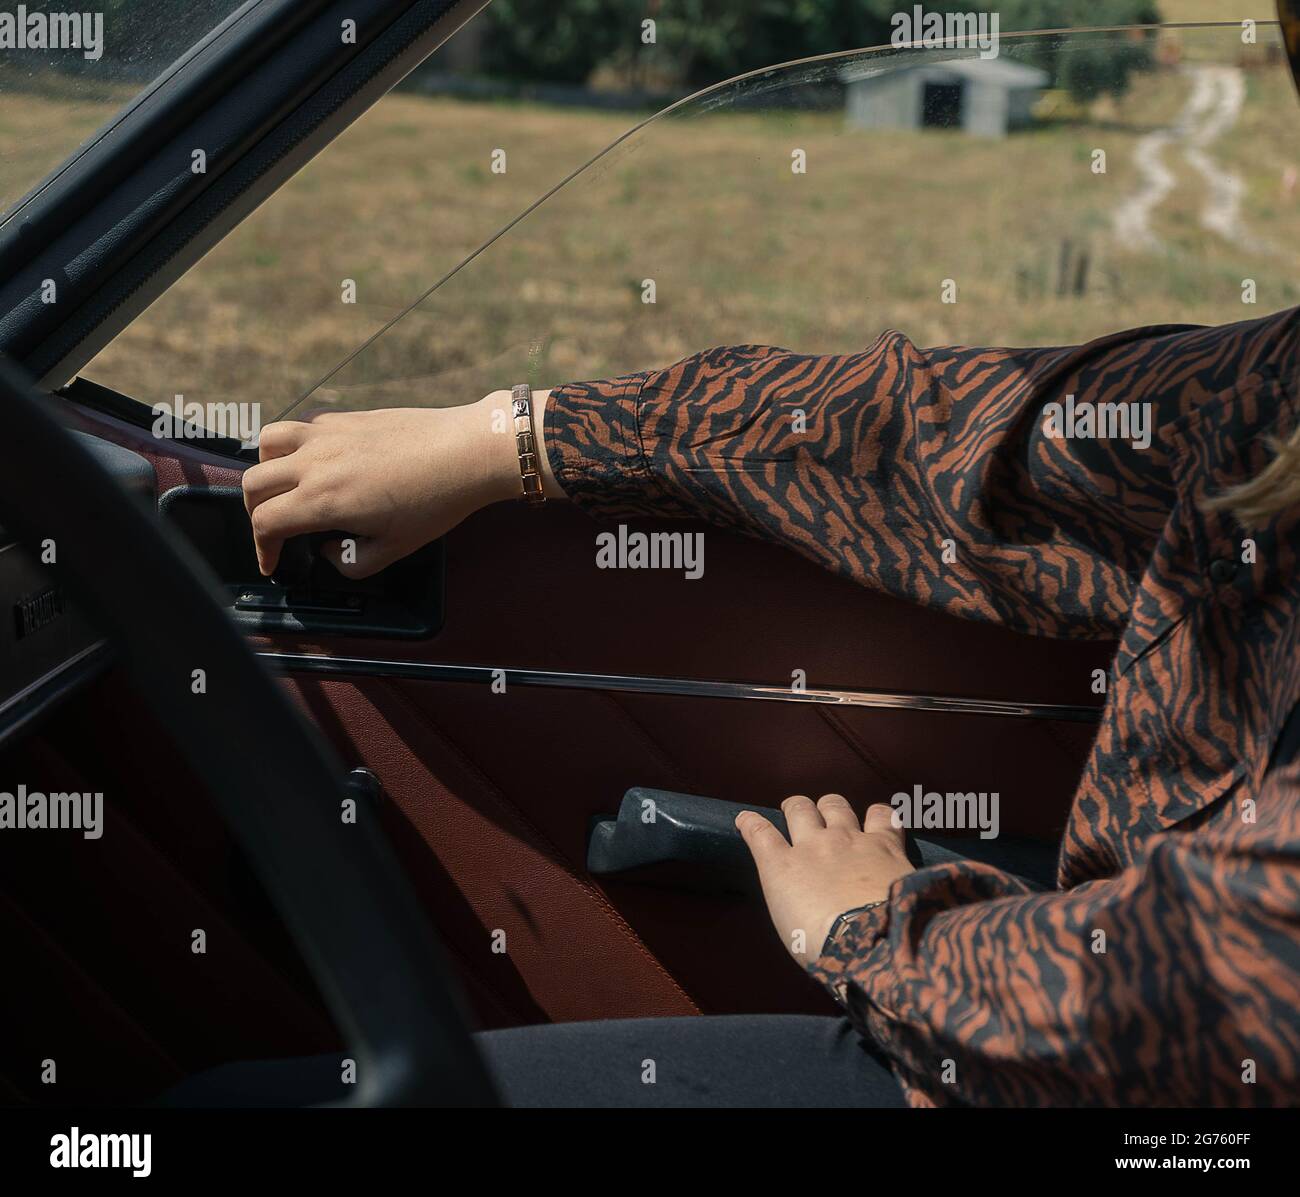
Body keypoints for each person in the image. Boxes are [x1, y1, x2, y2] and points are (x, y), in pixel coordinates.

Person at [238, 4, 1300, 1109]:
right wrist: (514, 437)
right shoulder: (1278, 400)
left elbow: (1225, 984)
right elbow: (932, 437)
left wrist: (879, 936)